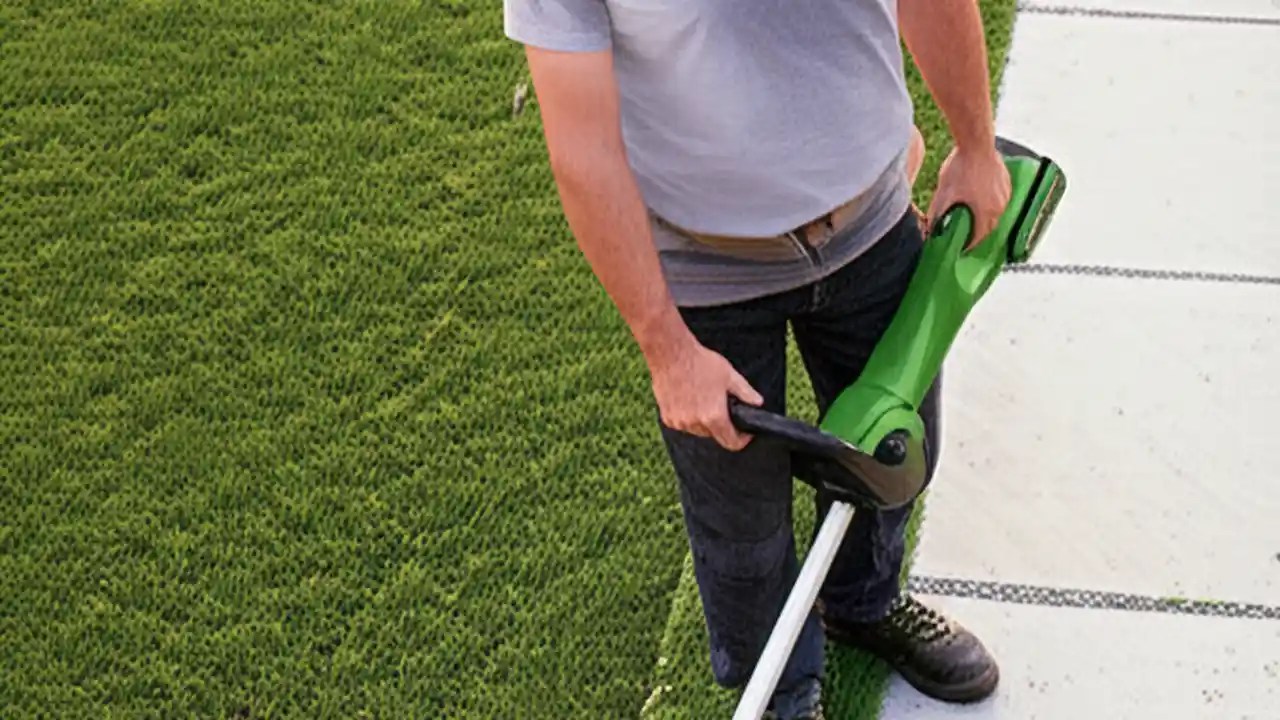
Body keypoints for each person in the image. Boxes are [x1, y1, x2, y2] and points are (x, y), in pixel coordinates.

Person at [503, 2, 1011, 717]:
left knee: (893, 455)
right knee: (738, 518)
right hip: (703, 264)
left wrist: (977, 147)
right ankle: (781, 687)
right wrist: (668, 348)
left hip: (869, 223)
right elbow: (582, 144)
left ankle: (865, 604)